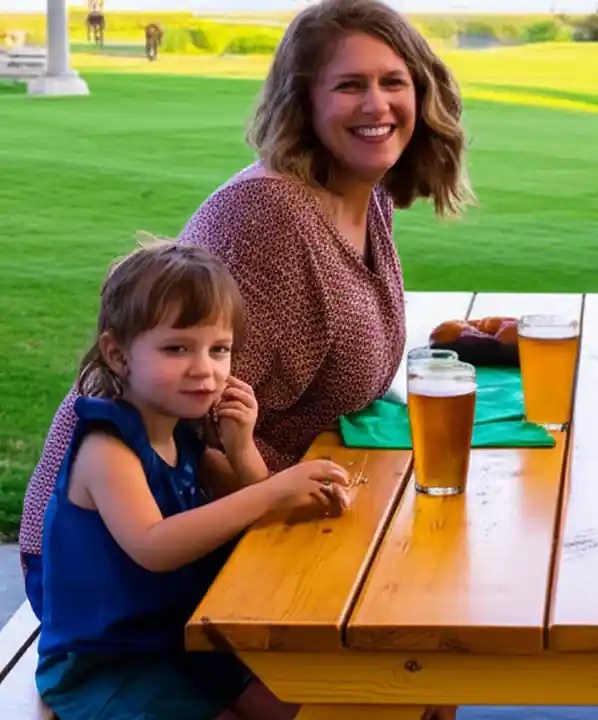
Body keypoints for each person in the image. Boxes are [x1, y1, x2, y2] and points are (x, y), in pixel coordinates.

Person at [20, 0, 473, 620]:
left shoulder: (366, 202)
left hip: (260, 503)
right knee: (401, 623)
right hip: (116, 565)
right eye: (349, 85)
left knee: (431, 589)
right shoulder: (268, 219)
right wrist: (290, 495)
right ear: (303, 103)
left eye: (394, 82)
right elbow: (191, 433)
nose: (377, 105)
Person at [36, 241, 352, 720]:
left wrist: (242, 447)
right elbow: (155, 546)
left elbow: (259, 510)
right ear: (118, 356)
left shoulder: (183, 436)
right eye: (177, 348)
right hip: (111, 662)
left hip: (188, 642)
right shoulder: (108, 450)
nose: (204, 369)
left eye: (219, 349)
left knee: (321, 704)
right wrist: (272, 490)